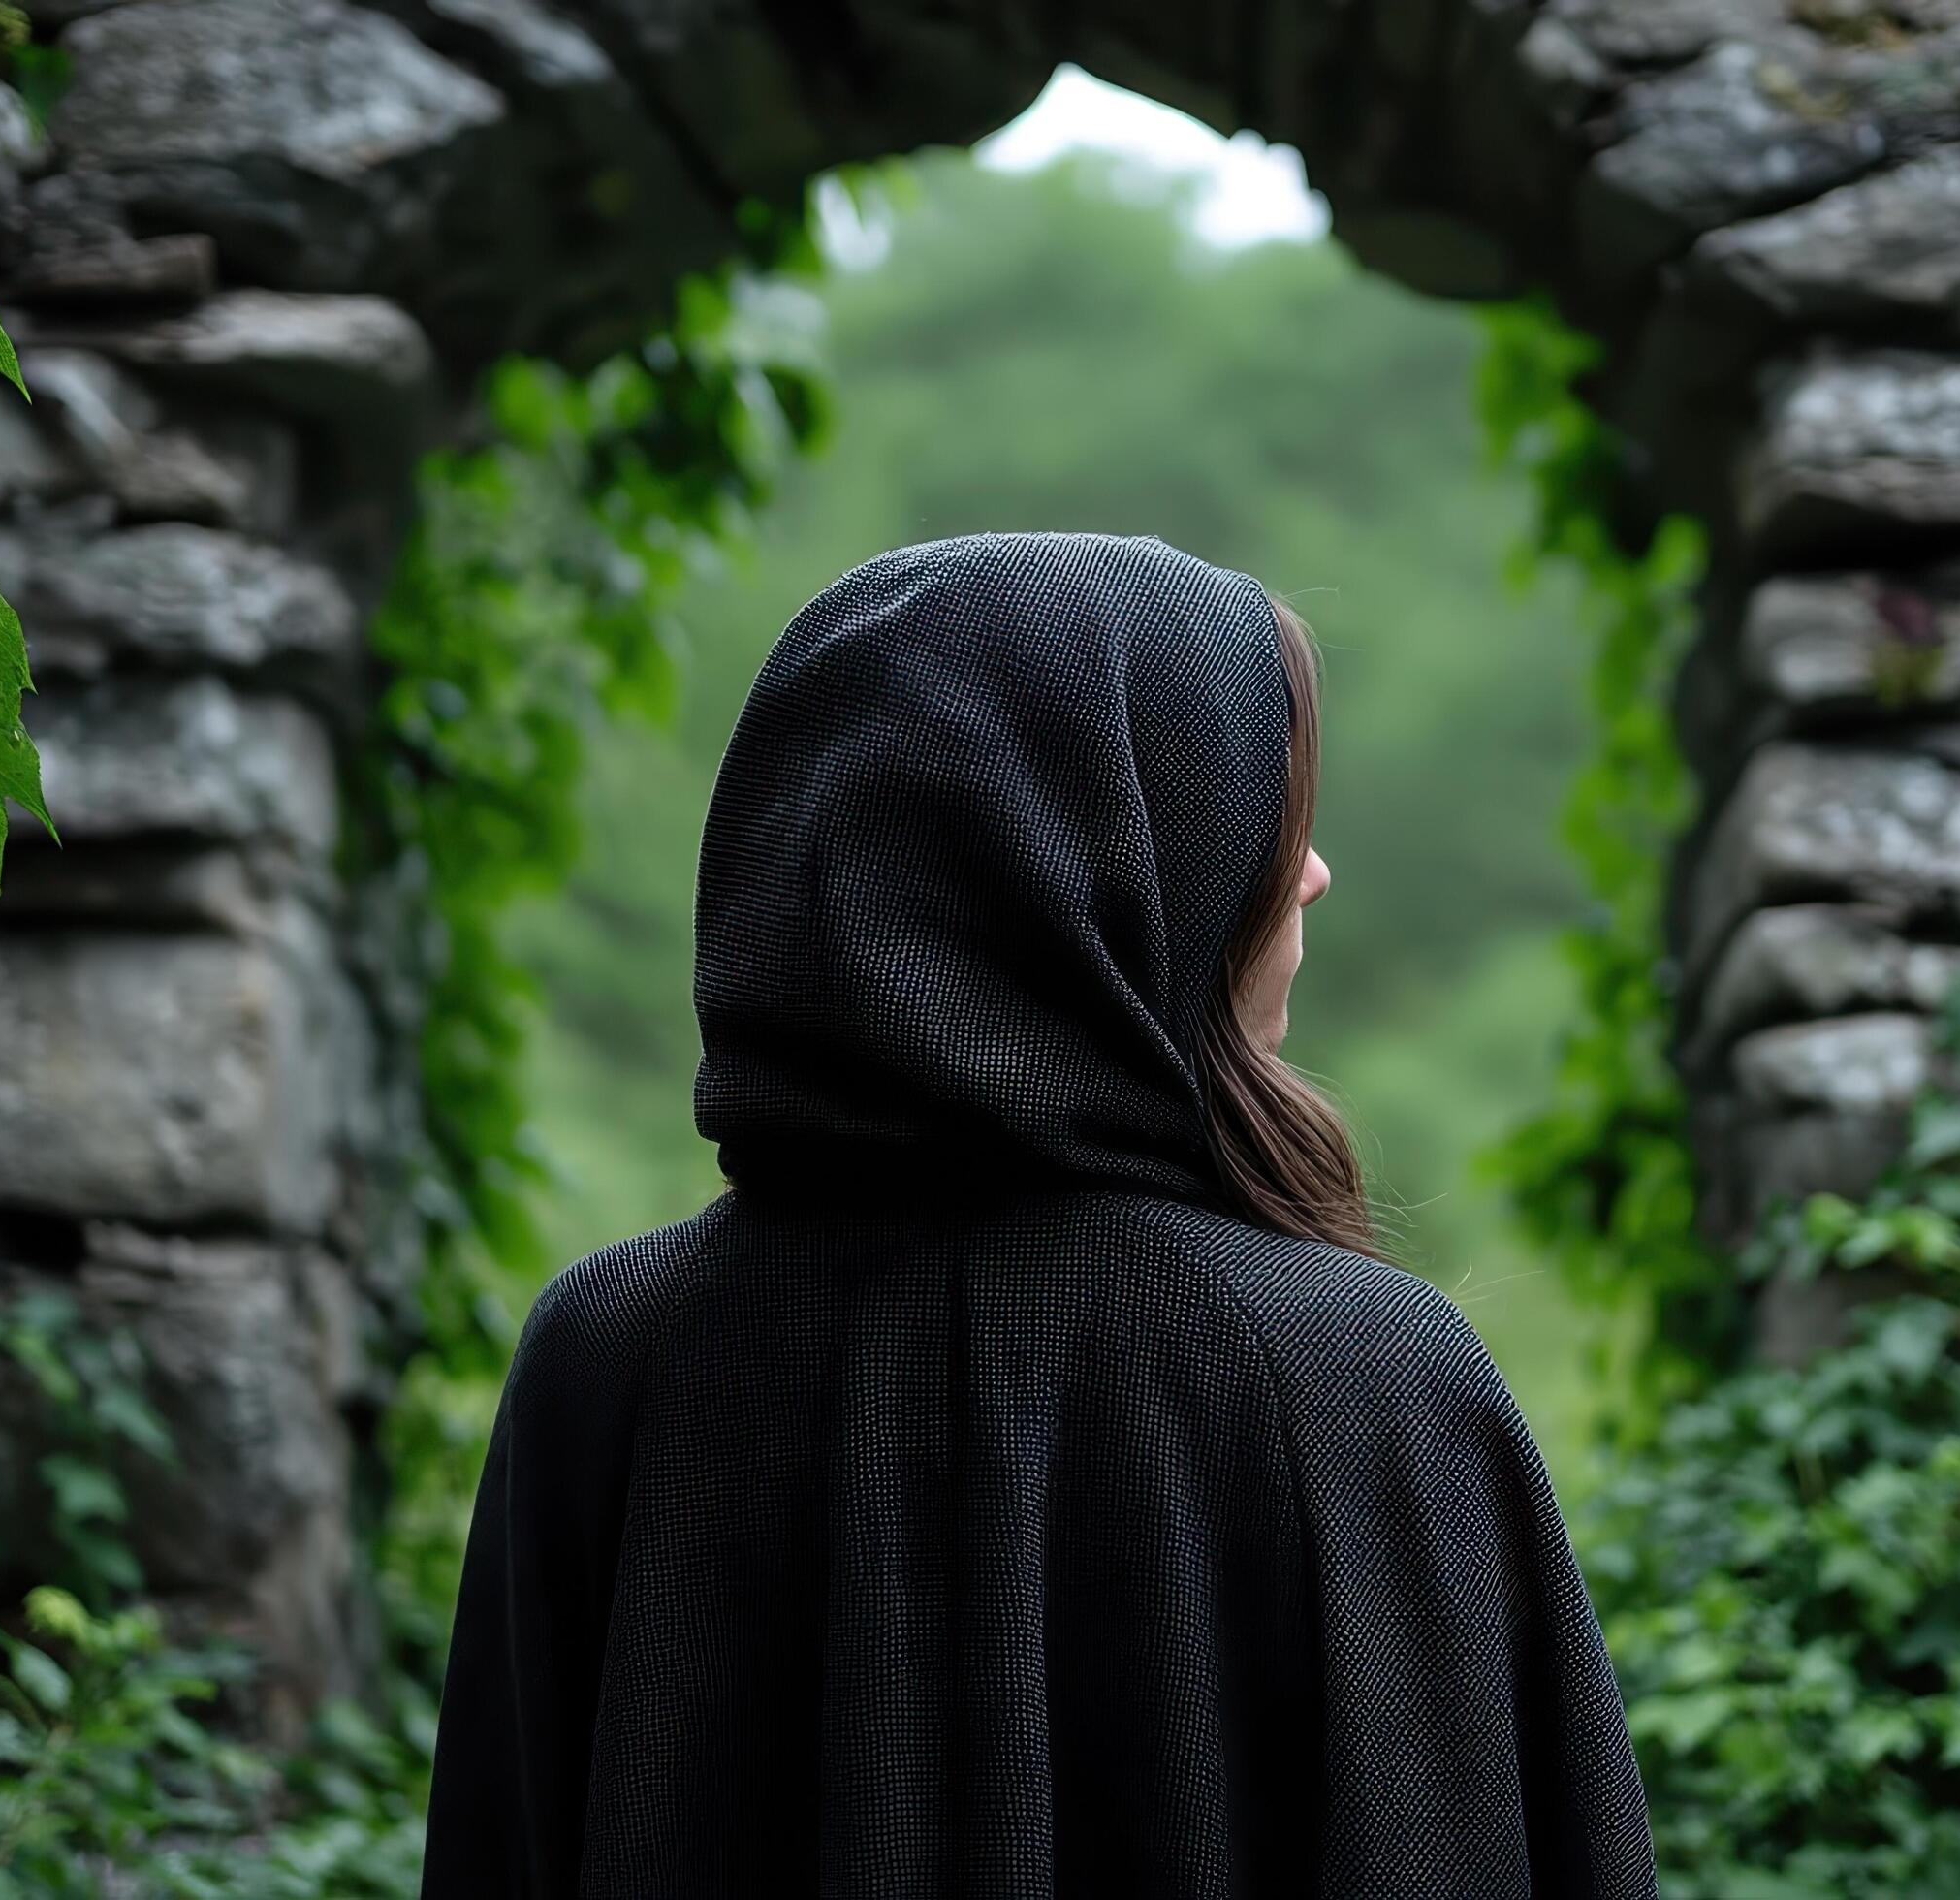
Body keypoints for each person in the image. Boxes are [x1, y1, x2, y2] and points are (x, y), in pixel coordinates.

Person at [422, 532, 1655, 1896]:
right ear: (1101, 864)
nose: (1305, 873)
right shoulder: (1366, 1381)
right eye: (1264, 815)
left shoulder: (611, 1358)